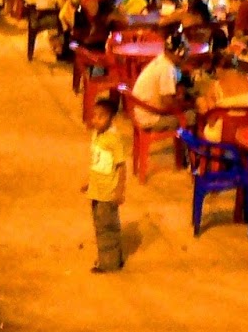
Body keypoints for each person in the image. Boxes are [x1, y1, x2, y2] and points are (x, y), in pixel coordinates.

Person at [81, 96, 129, 273]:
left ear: (110, 118)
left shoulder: (113, 140)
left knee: (106, 228)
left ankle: (109, 264)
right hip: (96, 190)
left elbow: (121, 166)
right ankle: (112, 258)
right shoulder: (96, 135)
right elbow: (97, 162)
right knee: (101, 226)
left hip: (107, 192)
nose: (96, 120)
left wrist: (120, 191)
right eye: (95, 116)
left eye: (101, 116)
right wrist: (89, 182)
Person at [130, 33, 189, 131]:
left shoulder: (162, 59)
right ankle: (191, 145)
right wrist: (187, 105)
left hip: (141, 113)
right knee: (192, 115)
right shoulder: (167, 69)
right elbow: (168, 103)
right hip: (151, 118)